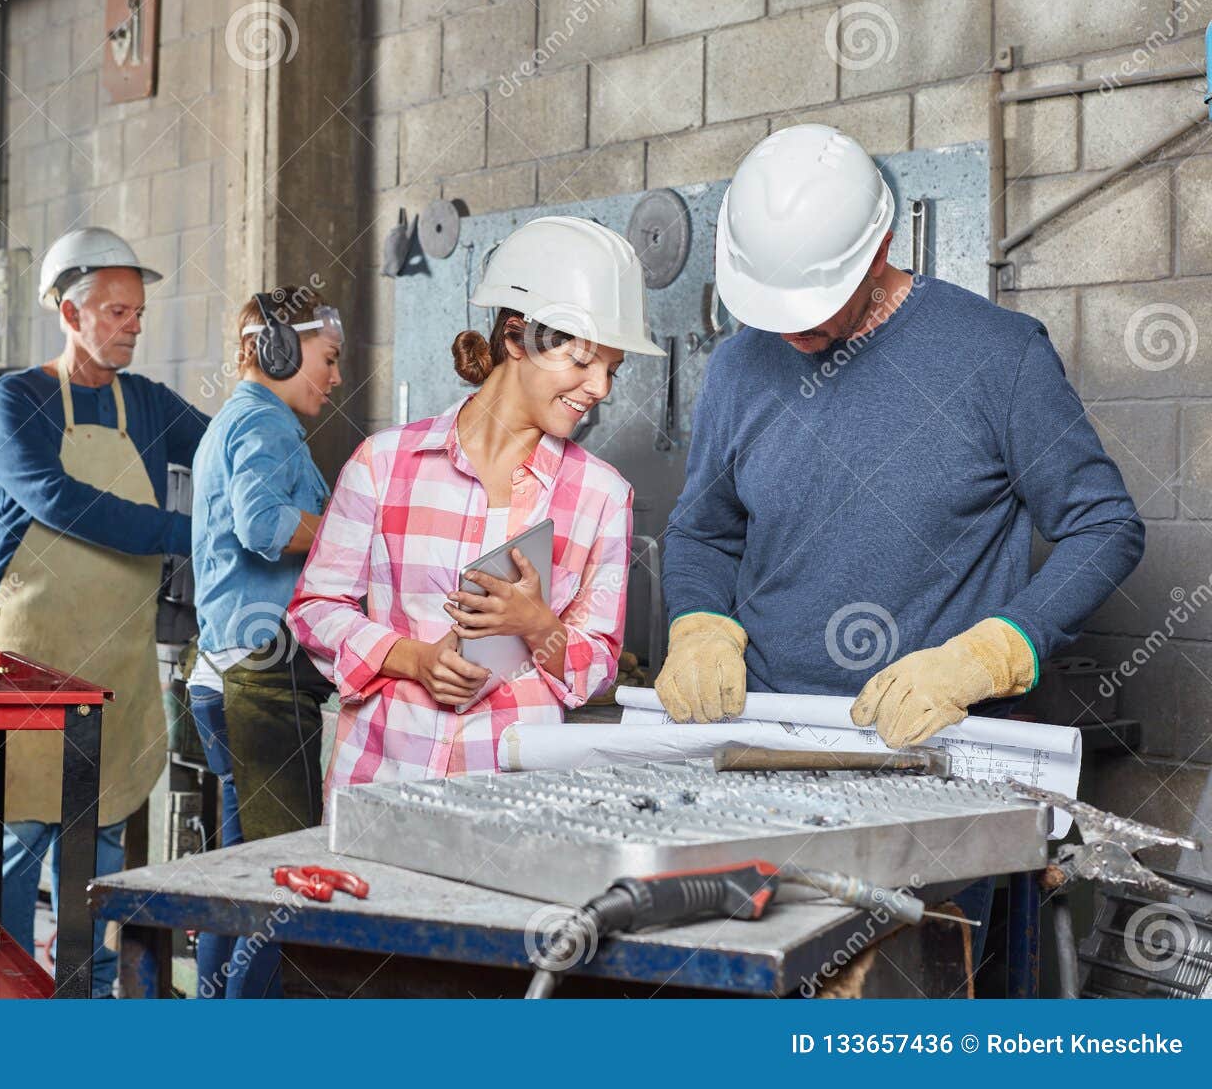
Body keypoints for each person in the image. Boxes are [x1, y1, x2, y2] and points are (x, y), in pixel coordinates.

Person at [657, 123, 1144, 959]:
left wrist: (992, 651)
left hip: (930, 765)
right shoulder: (740, 367)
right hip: (761, 749)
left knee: (902, 1011)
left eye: (813, 310)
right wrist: (698, 619)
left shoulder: (998, 355)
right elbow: (702, 529)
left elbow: (1105, 526)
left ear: (880, 245)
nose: (792, 336)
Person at [289, 216, 664, 794]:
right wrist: (412, 659)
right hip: (382, 779)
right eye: (583, 362)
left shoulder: (602, 496)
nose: (601, 389)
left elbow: (598, 667)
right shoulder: (384, 464)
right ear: (516, 338)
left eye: (612, 369)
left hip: (515, 797)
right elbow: (315, 609)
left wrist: (539, 627)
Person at [0, 226, 208, 997]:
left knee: (99, 848)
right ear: (70, 313)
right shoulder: (16, 400)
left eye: (137, 312)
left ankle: (88, 997)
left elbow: (225, 448)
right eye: (116, 311)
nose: (134, 325)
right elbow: (62, 502)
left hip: (115, 665)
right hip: (28, 660)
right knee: (16, 837)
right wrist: (185, 534)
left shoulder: (149, 402)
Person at [188, 286, 342, 998]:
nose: (336, 377)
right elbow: (262, 524)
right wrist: (355, 539)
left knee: (241, 867)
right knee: (283, 878)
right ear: (281, 348)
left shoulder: (237, 419)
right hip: (260, 680)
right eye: (329, 358)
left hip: (220, 675)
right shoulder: (267, 422)